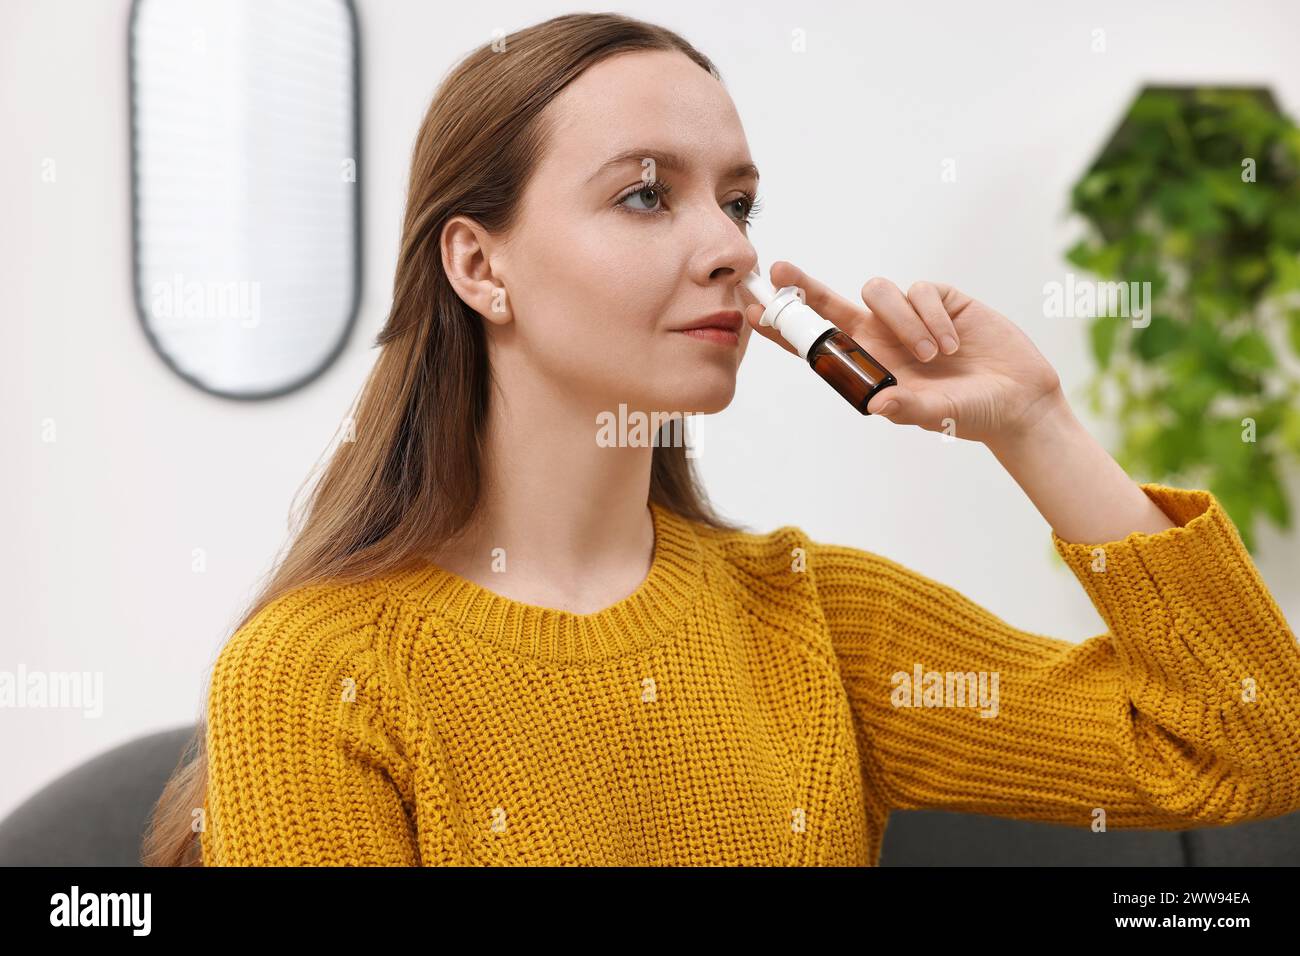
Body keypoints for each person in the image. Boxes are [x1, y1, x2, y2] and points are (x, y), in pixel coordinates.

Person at [144, 11, 1300, 867]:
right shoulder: (316, 673)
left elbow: (1242, 742)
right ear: (478, 265)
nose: (730, 248)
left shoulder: (816, 623)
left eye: (736, 202)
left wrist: (1034, 425)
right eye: (647, 195)